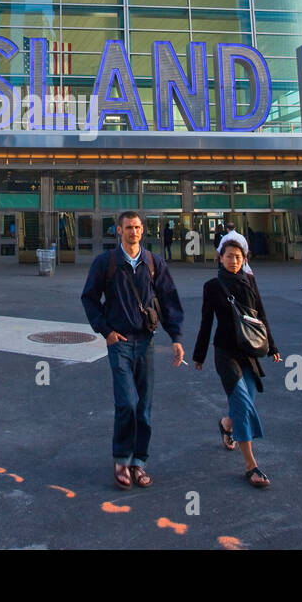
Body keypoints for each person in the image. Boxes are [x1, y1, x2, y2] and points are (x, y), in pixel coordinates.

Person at [81, 210, 185, 490]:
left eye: (138, 227)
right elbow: (89, 298)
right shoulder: (107, 263)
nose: (134, 232)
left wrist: (175, 337)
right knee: (126, 402)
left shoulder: (153, 262)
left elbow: (169, 299)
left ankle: (139, 462)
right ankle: (121, 459)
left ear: (143, 230)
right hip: (120, 344)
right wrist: (105, 330)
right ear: (118, 230)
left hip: (146, 342)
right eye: (128, 227)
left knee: (145, 407)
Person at [194, 232, 282, 488]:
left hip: (250, 352)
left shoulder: (249, 282)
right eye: (229, 256)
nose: (234, 260)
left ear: (244, 259)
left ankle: (226, 424)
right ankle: (250, 465)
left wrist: (272, 346)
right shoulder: (212, 286)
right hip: (225, 352)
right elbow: (206, 322)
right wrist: (199, 355)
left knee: (246, 401)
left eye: (238, 257)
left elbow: (261, 315)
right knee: (243, 403)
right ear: (219, 258)